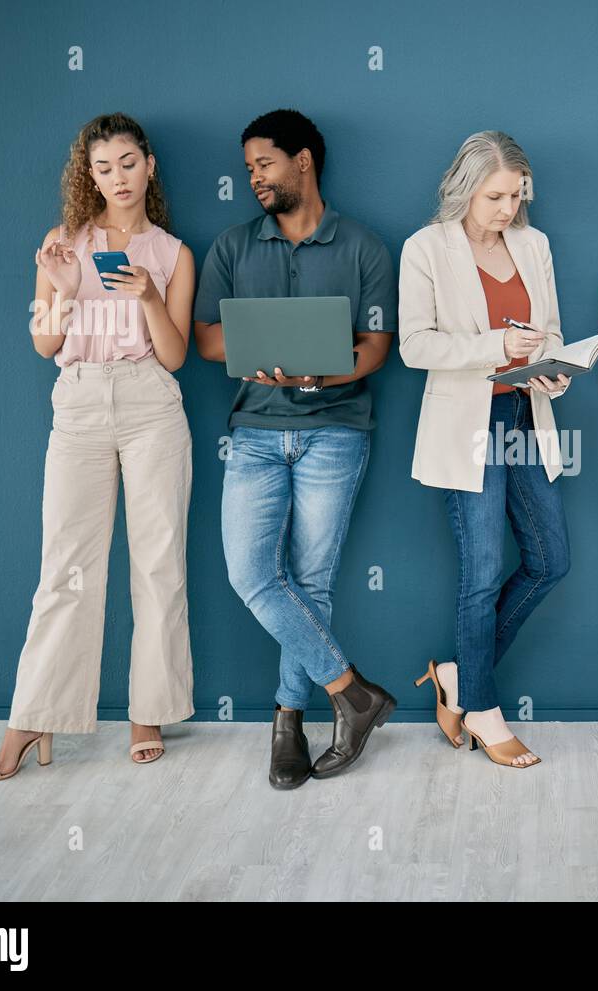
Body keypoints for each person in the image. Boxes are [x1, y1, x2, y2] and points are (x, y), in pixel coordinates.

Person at [0, 112, 196, 781]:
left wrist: (152, 297)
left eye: (129, 162)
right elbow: (45, 342)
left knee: (158, 563)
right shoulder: (62, 243)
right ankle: (34, 717)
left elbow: (177, 354)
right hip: (77, 402)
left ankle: (147, 712)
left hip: (150, 402)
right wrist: (66, 292)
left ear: (149, 165)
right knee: (65, 569)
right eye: (104, 167)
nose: (118, 178)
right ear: (89, 174)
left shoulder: (174, 253)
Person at [193, 109, 398, 790]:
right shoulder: (232, 246)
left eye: (264, 163)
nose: (253, 177)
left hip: (336, 427)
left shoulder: (364, 246)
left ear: (303, 161)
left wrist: (318, 372)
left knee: (311, 582)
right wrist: (266, 354)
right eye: (248, 167)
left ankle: (288, 722)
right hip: (254, 431)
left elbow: (373, 349)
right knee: (253, 575)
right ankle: (354, 694)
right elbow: (208, 341)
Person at [399, 131, 572, 769]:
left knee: (551, 560)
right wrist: (498, 348)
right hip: (465, 425)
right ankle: (484, 709)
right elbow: (415, 346)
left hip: (527, 414)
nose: (508, 209)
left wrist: (549, 367)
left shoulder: (534, 245)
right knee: (480, 574)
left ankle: (456, 674)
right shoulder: (427, 248)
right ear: (466, 186)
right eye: (496, 195)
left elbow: (546, 331)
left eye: (516, 196)